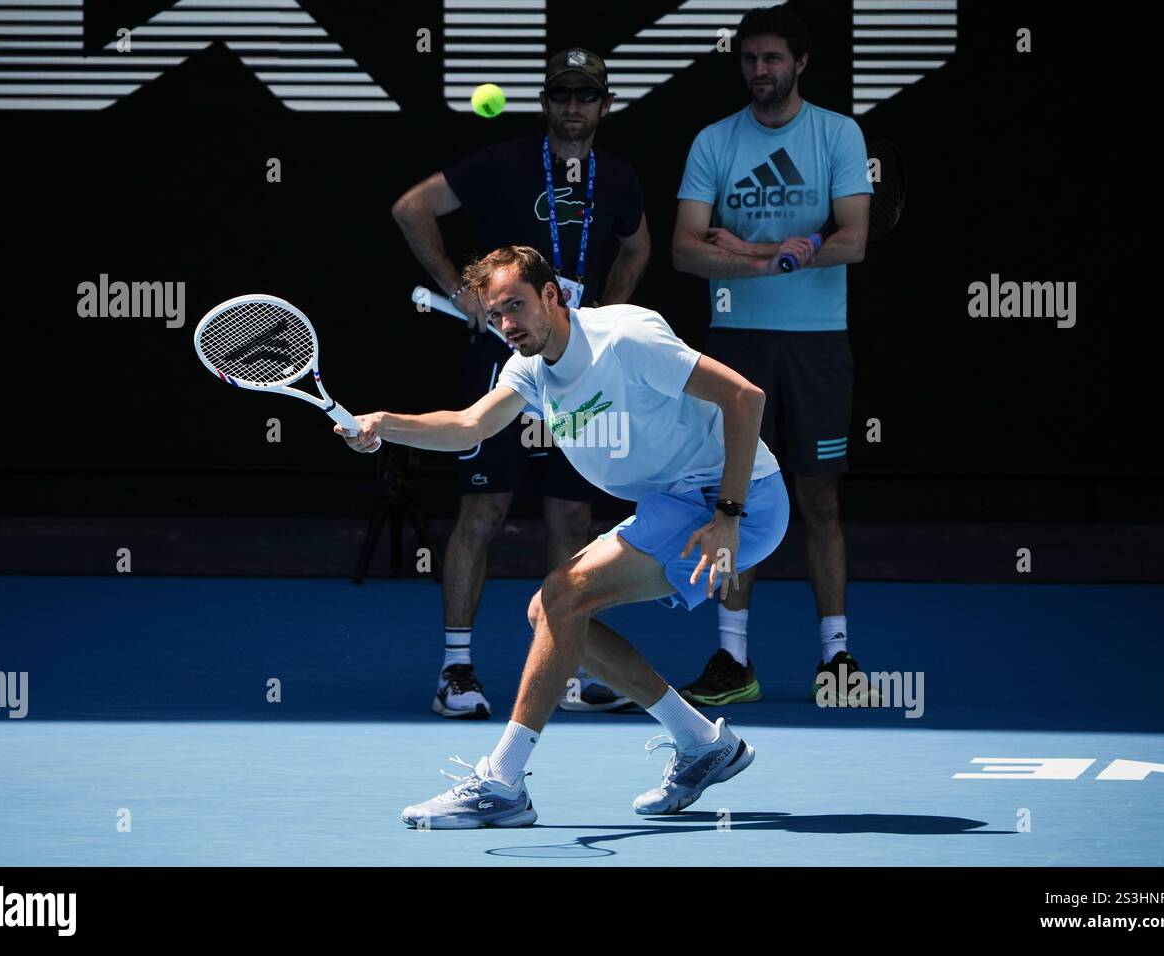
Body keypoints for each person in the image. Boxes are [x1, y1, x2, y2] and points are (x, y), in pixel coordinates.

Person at [336, 245, 790, 827]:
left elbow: (745, 397)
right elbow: (470, 426)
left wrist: (728, 514)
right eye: (495, 313)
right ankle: (702, 743)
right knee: (548, 612)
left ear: (552, 295)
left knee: (563, 593)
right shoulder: (527, 369)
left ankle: (501, 782)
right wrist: (384, 424)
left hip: (737, 497)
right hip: (675, 501)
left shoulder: (626, 338)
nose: (506, 324)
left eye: (517, 306)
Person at [391, 48, 651, 719]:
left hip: (578, 368)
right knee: (485, 511)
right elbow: (410, 208)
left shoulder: (617, 178)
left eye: (586, 96)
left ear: (604, 105)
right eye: (562, 95)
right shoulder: (501, 163)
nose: (573, 107)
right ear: (546, 102)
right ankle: (456, 671)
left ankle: (569, 667)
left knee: (573, 513)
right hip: (505, 361)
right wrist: (461, 289)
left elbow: (637, 245)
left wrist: (607, 314)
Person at [671, 3, 874, 706]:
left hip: (818, 344)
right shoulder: (714, 142)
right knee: (736, 498)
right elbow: (687, 249)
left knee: (819, 499)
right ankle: (733, 660)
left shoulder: (838, 135)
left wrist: (759, 248)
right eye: (751, 59)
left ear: (800, 63)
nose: (761, 71)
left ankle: (837, 659)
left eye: (773, 59)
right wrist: (770, 259)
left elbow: (854, 238)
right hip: (736, 344)